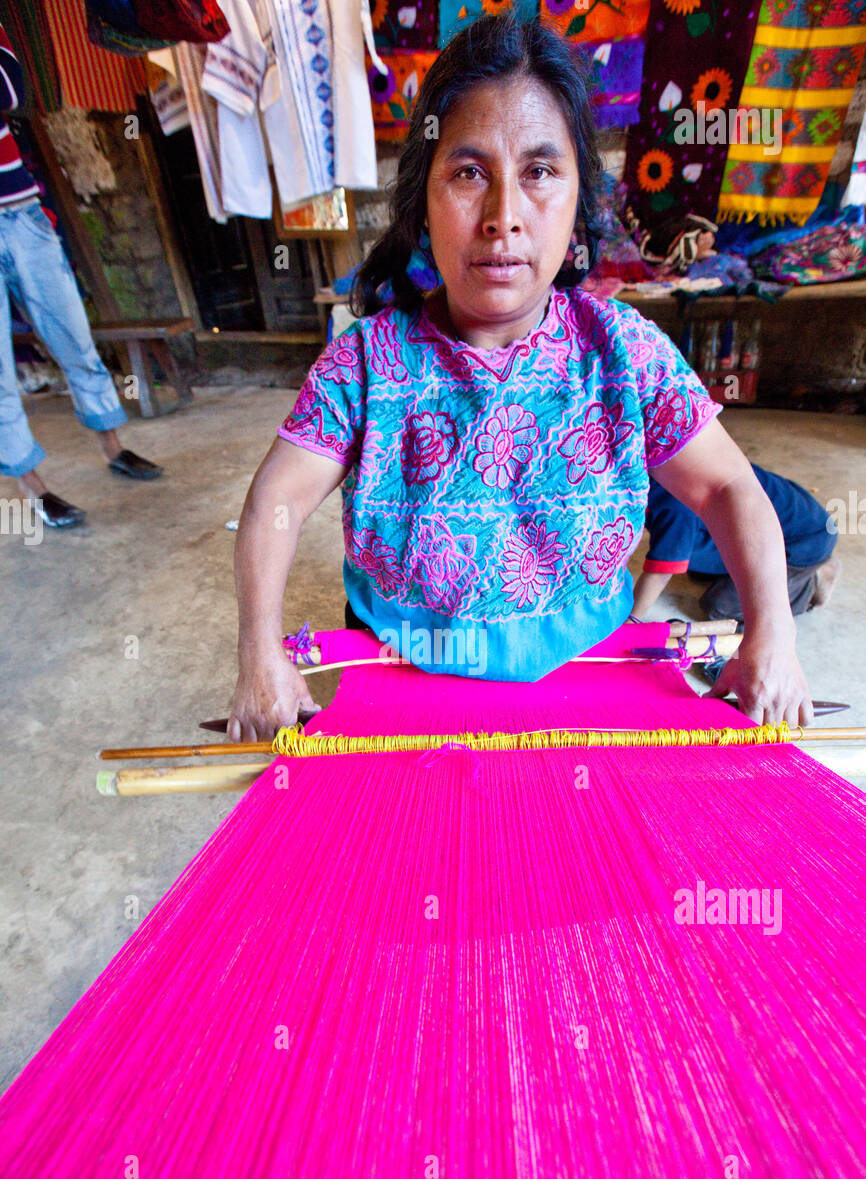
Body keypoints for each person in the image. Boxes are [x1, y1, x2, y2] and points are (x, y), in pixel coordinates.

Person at [228, 12, 813, 742]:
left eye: (539, 172)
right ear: (423, 200)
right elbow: (277, 500)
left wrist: (773, 632)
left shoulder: (627, 355)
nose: (503, 217)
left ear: (577, 202)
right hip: (403, 667)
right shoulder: (365, 362)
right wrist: (257, 649)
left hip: (586, 670)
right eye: (469, 173)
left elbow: (728, 488)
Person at [0, 25, 161, 529]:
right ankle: (35, 491)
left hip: (21, 211)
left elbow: (10, 91)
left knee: (75, 340)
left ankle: (114, 448)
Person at [632, 467, 841, 621]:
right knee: (693, 560)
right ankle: (738, 570)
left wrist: (631, 620)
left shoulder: (672, 498)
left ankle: (811, 581)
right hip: (775, 518)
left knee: (721, 608)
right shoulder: (658, 470)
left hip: (803, 540)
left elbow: (660, 571)